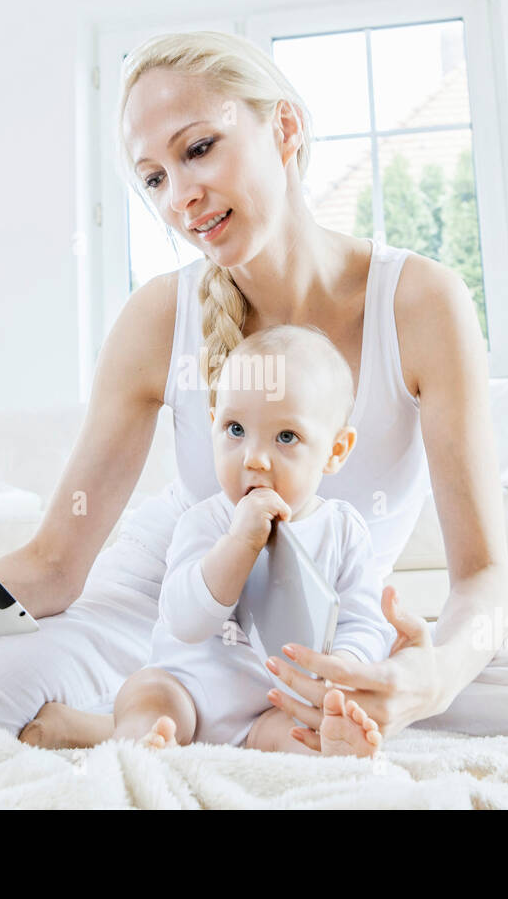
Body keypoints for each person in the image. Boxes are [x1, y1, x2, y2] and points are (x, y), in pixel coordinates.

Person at [0, 30, 508, 757]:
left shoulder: (421, 302)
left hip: (316, 634)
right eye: (152, 179)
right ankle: (178, 713)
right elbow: (55, 567)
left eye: (198, 149)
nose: (180, 198)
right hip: (160, 613)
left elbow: (483, 580)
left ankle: (119, 725)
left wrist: (422, 678)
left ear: (283, 128)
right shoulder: (158, 318)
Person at [115, 323, 393, 756]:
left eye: (286, 437)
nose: (254, 458)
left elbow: (366, 622)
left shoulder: (342, 530)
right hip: (186, 691)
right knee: (146, 694)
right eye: (235, 429)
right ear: (214, 426)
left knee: (304, 734)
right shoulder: (204, 521)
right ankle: (142, 740)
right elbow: (185, 621)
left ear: (336, 450)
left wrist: (346, 666)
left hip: (273, 707)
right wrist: (238, 544)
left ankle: (337, 748)